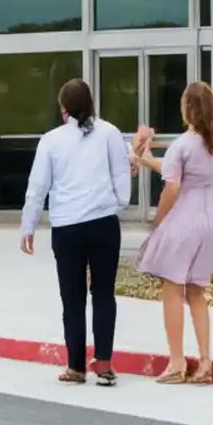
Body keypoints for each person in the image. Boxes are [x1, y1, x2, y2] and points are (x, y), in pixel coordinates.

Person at [20, 78, 130, 386]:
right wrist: (116, 202)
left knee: (73, 298)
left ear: (64, 108)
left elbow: (37, 187)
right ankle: (105, 364)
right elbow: (121, 176)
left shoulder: (51, 140)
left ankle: (76, 367)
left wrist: (28, 226)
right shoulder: (109, 133)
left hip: (67, 227)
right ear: (91, 104)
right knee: (104, 294)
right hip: (103, 223)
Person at [130, 81, 213, 385]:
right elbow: (173, 169)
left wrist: (159, 219)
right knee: (196, 290)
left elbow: (173, 185)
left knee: (171, 288)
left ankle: (176, 363)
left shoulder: (182, 144)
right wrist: (143, 160)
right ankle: (205, 362)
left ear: (187, 108)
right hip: (210, 219)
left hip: (186, 220)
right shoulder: (210, 143)